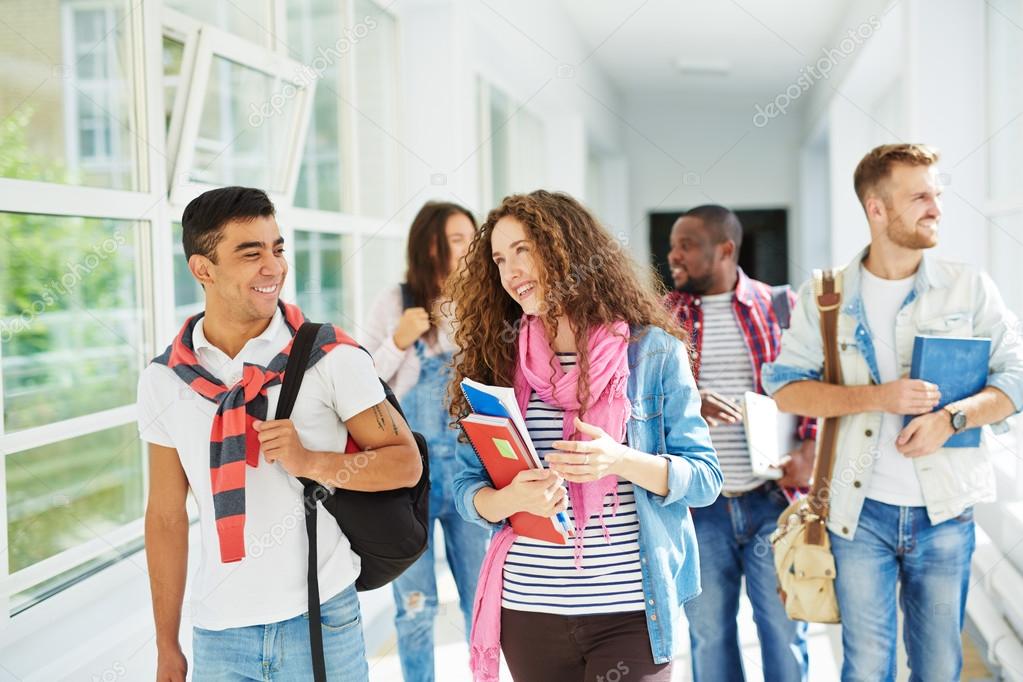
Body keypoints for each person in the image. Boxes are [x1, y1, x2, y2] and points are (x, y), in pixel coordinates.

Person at [137, 186, 422, 682]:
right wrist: (166, 644)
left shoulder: (331, 356)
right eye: (251, 254)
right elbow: (165, 516)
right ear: (202, 269)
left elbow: (404, 461)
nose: (273, 266)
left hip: (320, 620)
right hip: (218, 634)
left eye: (278, 248)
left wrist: (311, 461)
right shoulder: (164, 380)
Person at [763, 144, 1023, 681]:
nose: (936, 208)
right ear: (876, 209)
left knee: (937, 668)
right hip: (860, 516)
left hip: (946, 513)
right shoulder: (826, 296)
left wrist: (954, 418)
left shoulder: (968, 285)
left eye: (938, 195)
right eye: (920, 196)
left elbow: (1016, 378)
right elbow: (786, 389)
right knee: (865, 668)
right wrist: (879, 397)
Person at [445, 190, 722, 682]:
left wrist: (618, 459)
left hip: (632, 613)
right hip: (529, 610)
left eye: (524, 250)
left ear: (566, 249)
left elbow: (704, 478)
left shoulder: (652, 354)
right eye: (500, 258)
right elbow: (467, 492)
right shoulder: (498, 362)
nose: (511, 271)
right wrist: (510, 496)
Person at [665, 204, 813, 682]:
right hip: (699, 507)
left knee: (785, 632)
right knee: (708, 636)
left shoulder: (781, 307)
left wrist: (808, 448)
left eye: (686, 245)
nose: (673, 256)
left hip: (773, 500)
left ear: (725, 249)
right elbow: (640, 397)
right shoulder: (662, 318)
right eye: (673, 245)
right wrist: (690, 400)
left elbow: (811, 383)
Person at [362, 201, 489, 682]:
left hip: (471, 476)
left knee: (482, 600)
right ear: (430, 244)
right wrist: (398, 341)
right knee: (415, 608)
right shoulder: (396, 301)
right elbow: (361, 385)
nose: (468, 249)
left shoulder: (484, 302)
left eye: (471, 239)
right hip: (407, 481)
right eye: (457, 239)